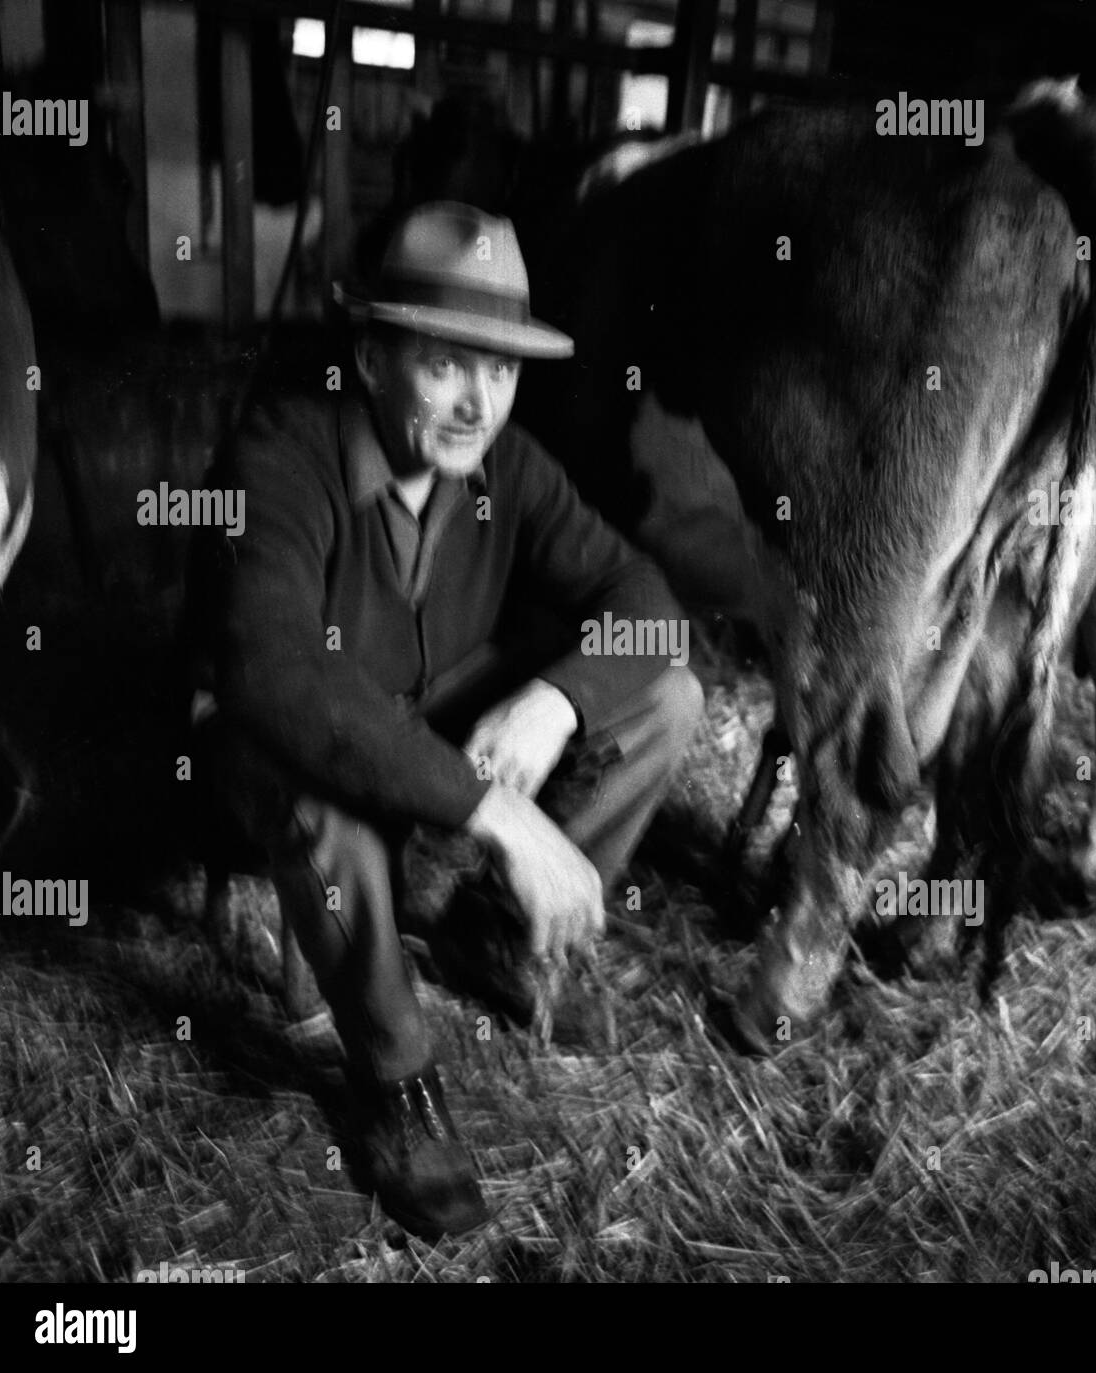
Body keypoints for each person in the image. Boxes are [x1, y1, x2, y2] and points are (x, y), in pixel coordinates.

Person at [190, 202, 703, 1239]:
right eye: (447, 364)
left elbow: (645, 595)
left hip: (419, 702)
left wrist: (556, 698)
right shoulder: (282, 449)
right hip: (272, 739)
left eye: (502, 371)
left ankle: (494, 935)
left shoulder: (506, 467)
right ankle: (395, 1075)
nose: (479, 401)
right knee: (309, 779)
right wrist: (497, 813)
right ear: (373, 357)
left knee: (666, 690)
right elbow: (276, 672)